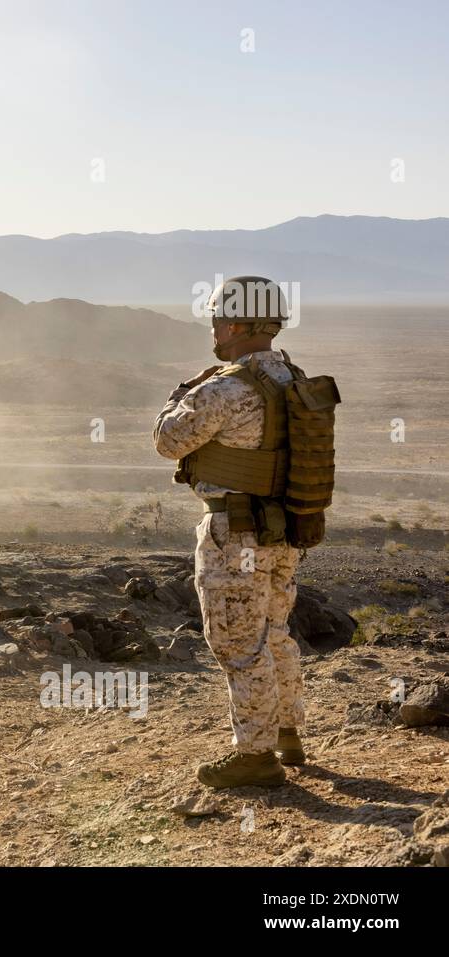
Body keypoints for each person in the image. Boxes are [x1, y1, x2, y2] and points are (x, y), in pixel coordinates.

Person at [153, 276, 324, 789]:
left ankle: (255, 755)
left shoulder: (225, 388)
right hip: (283, 530)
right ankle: (287, 731)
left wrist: (180, 395)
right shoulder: (293, 377)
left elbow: (168, 441)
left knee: (237, 643)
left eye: (214, 321)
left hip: (236, 534)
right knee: (274, 632)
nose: (212, 330)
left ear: (232, 324)